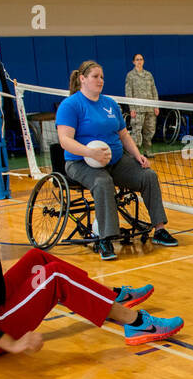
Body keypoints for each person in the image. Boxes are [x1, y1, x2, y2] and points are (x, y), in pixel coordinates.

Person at [0, 176, 183, 357]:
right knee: (55, 277)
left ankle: (108, 297)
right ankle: (136, 322)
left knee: (37, 258)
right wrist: (12, 345)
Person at [56, 60, 178, 258]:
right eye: (95, 77)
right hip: (80, 163)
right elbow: (64, 141)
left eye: (102, 77)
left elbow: (123, 135)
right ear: (82, 79)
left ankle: (160, 229)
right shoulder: (70, 105)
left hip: (115, 161)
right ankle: (105, 239)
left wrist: (138, 155)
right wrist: (89, 153)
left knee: (148, 176)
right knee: (103, 182)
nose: (100, 80)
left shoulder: (110, 104)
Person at [125, 53, 159, 157]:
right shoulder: (130, 75)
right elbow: (128, 92)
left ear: (143, 61)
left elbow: (154, 90)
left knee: (150, 131)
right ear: (133, 62)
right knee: (137, 132)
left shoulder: (148, 75)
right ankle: (135, 153)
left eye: (141, 59)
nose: (139, 61)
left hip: (150, 108)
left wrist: (156, 105)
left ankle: (147, 151)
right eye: (137, 59)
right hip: (138, 109)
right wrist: (132, 108)